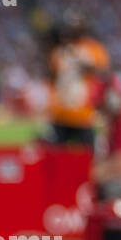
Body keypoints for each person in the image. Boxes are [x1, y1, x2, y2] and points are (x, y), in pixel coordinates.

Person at [45, 14, 109, 148]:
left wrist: (83, 64)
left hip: (84, 113)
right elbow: (53, 78)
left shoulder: (93, 48)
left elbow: (103, 73)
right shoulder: (58, 51)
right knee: (57, 154)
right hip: (61, 113)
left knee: (87, 154)